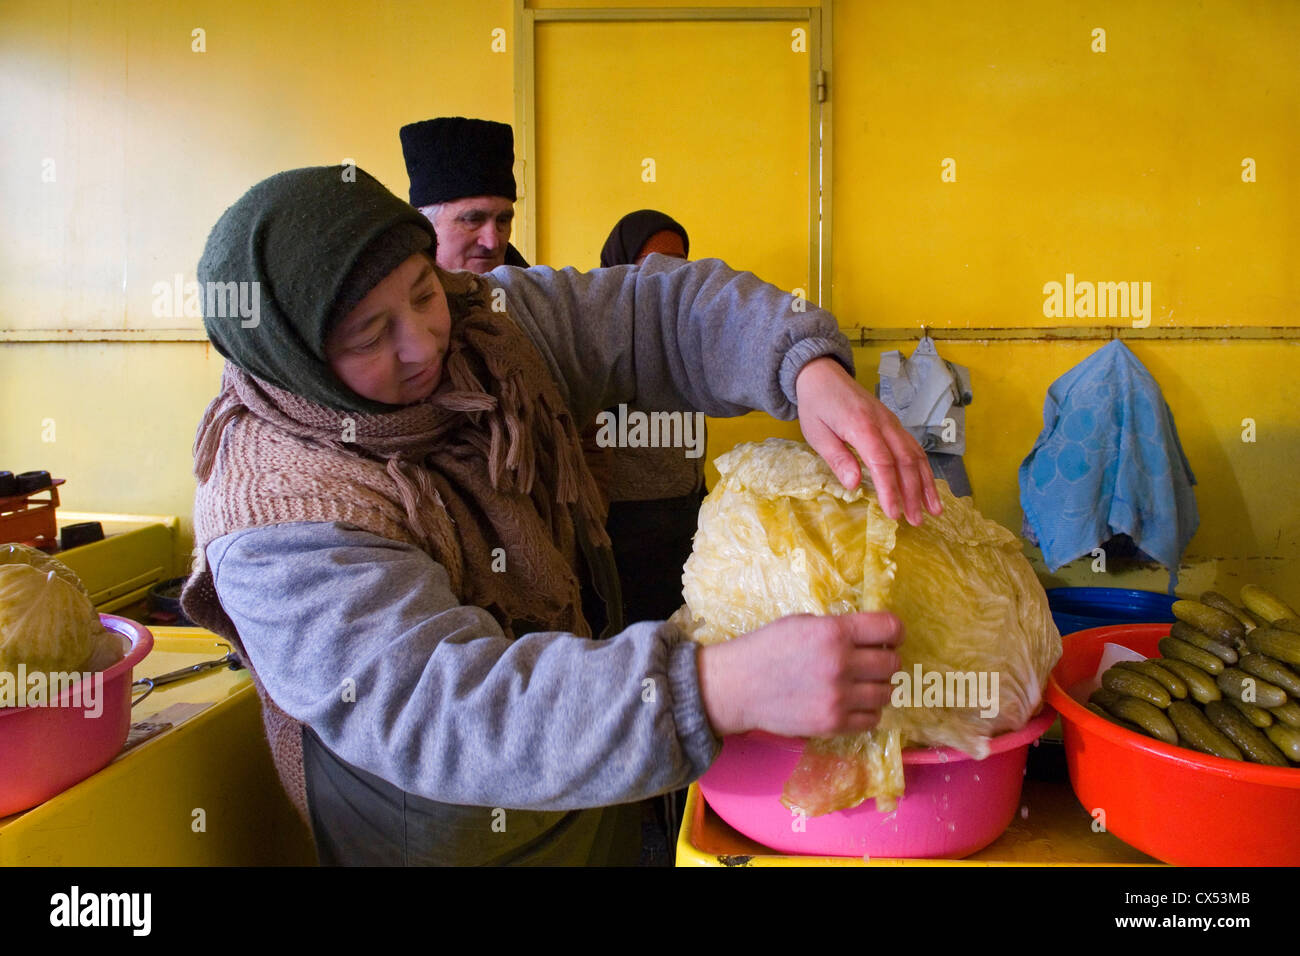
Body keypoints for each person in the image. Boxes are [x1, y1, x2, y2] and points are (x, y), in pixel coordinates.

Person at [180, 165, 942, 866]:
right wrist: (711, 688)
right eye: (370, 336)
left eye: (421, 290)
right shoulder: (276, 511)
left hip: (594, 757)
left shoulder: (489, 327)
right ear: (296, 359)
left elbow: (657, 309)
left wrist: (801, 368)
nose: (422, 343)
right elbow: (438, 706)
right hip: (435, 829)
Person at [399, 116, 530, 272]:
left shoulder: (535, 292)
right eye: (473, 220)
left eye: (502, 220)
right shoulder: (384, 293)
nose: (492, 243)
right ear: (425, 225)